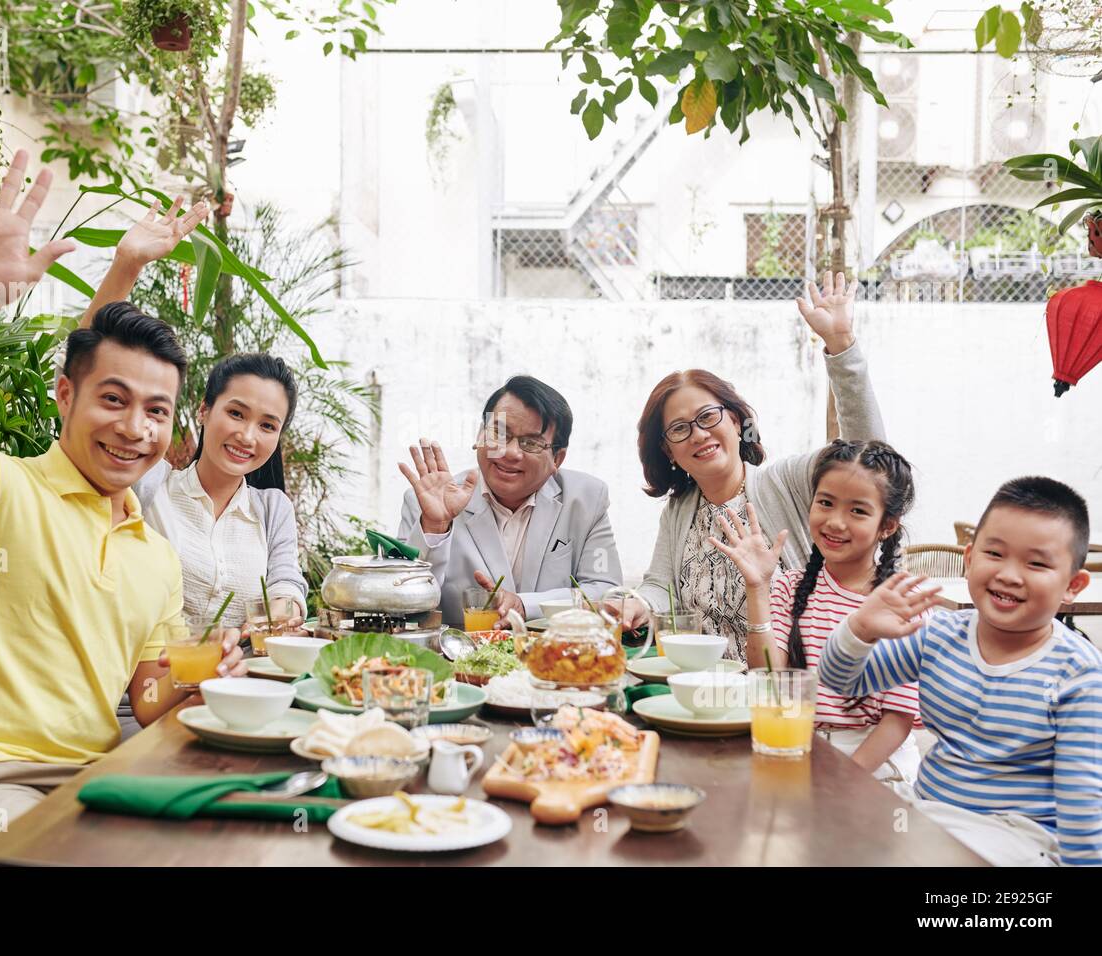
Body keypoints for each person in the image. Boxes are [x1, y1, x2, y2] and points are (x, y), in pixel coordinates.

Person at [0, 153, 245, 867]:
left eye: (157, 411)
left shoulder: (153, 555)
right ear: (65, 397)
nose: (135, 428)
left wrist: (208, 671)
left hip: (87, 791)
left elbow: (149, 695)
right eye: (113, 400)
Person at [819, 477, 1101, 866]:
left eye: (1036, 563)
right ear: (969, 560)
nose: (1009, 574)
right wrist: (860, 629)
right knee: (819, 837)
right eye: (995, 553)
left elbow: (1082, 800)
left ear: (1073, 584)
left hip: (1018, 836)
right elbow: (842, 681)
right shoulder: (938, 633)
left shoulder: (1077, 673)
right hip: (927, 813)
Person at [611, 273, 885, 663]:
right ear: (668, 451)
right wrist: (635, 603)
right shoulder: (679, 511)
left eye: (708, 417)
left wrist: (841, 349)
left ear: (737, 422)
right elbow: (659, 586)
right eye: (680, 429)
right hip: (700, 683)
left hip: (791, 683)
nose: (698, 434)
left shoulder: (788, 482)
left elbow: (869, 457)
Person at [78, 209, 308, 639]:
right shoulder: (150, 483)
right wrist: (127, 264)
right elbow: (87, 367)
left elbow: (286, 584)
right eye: (236, 413)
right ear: (204, 411)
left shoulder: (272, 509)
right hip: (145, 677)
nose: (246, 435)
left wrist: (274, 613)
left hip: (244, 673)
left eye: (267, 426)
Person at [710, 440, 923, 783]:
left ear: (887, 525)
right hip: (796, 744)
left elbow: (898, 720)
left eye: (858, 511)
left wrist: (840, 780)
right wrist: (758, 588)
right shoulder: (791, 586)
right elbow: (770, 679)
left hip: (874, 766)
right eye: (825, 503)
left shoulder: (899, 601)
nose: (835, 522)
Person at [396, 375, 622, 627]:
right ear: (480, 435)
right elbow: (401, 601)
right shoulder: (427, 502)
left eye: (531, 443)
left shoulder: (586, 499)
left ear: (557, 459)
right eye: (499, 434)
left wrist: (525, 605)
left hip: (553, 649)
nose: (510, 452)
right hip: (461, 649)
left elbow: (606, 592)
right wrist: (435, 527)